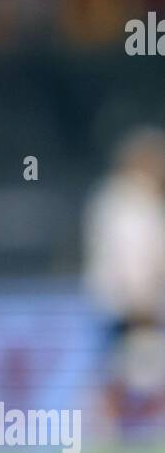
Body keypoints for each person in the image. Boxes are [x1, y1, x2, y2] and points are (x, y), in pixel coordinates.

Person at [83, 127, 165, 435]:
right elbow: (131, 255)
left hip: (118, 299)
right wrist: (139, 299)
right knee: (121, 371)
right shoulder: (130, 201)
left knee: (121, 369)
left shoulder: (116, 197)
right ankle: (98, 433)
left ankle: (98, 432)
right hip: (128, 302)